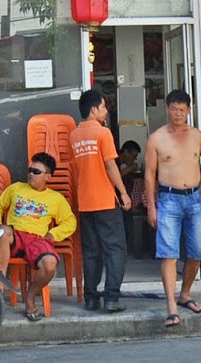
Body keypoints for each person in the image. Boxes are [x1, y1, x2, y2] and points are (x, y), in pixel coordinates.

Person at [145, 88, 201, 328]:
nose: (178, 113)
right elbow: (149, 175)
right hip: (168, 199)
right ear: (167, 109)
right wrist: (151, 207)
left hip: (193, 198)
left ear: (189, 110)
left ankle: (185, 294)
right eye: (174, 109)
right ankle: (171, 307)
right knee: (169, 253)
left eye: (182, 110)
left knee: (197, 253)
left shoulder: (196, 135)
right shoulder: (156, 138)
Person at [0, 152, 76, 322]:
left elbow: (70, 221)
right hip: (14, 236)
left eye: (36, 172)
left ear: (48, 177)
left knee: (50, 264)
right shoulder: (16, 188)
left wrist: (53, 234)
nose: (31, 174)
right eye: (30, 170)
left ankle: (30, 295)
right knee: (4, 232)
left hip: (37, 239)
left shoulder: (55, 199)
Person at [70, 89, 132, 312]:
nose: (106, 110)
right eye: (104, 107)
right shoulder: (103, 133)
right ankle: (112, 297)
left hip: (85, 202)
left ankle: (91, 297)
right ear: (94, 109)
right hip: (105, 200)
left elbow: (77, 170)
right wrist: (124, 193)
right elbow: (110, 165)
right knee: (115, 249)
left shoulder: (74, 135)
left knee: (91, 251)